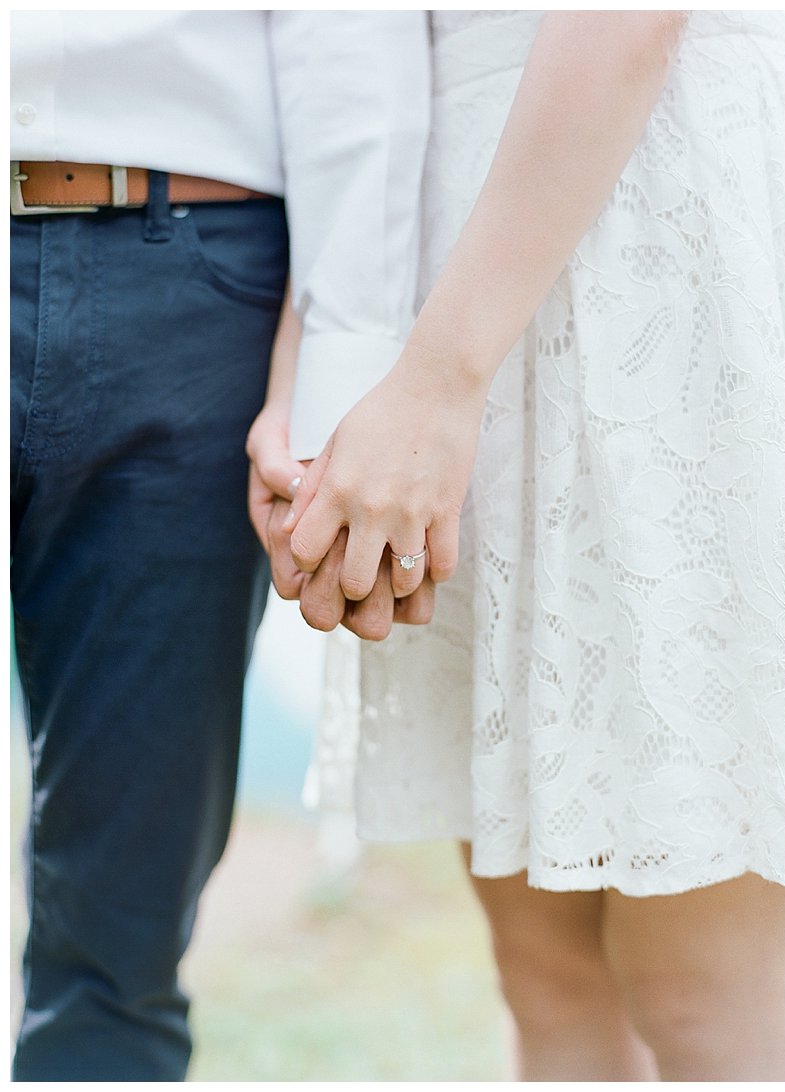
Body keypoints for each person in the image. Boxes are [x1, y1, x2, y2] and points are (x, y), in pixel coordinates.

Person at [264, 12, 785, 1080]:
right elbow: (347, 63)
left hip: (634, 217)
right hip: (439, 267)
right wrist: (305, 382)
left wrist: (435, 381)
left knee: (700, 991)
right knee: (543, 970)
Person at [9, 12, 428, 1079]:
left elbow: (348, 38)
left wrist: (339, 380)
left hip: (187, 281)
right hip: (187, 269)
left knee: (114, 939)